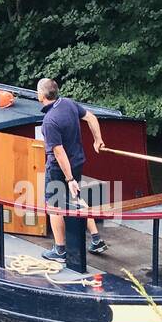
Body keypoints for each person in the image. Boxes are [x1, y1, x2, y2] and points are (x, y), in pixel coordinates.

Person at [36, 78, 107, 262]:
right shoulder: (68, 103)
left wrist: (68, 179)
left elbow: (59, 153)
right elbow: (91, 117)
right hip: (77, 161)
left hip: (59, 169)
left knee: (54, 205)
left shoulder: (49, 121)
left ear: (41, 95)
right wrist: (97, 139)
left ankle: (59, 250)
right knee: (75, 197)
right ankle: (96, 239)